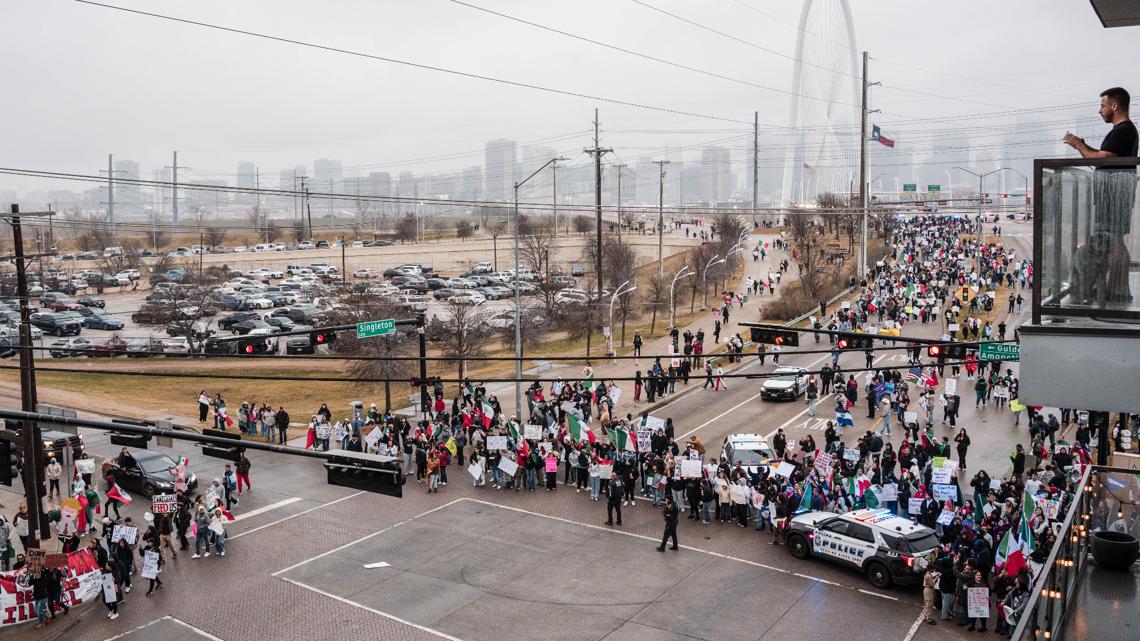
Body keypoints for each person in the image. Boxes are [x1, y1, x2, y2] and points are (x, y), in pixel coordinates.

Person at [1064, 87, 1137, 303]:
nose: (1100, 111)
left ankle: (1117, 290)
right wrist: (1084, 146)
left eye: (1103, 106)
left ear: (1115, 106)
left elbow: (1099, 159)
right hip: (1117, 192)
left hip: (1115, 194)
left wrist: (1078, 145)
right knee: (1115, 241)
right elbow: (1104, 156)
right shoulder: (1124, 131)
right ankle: (1118, 288)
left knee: (1114, 242)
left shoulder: (1123, 131)